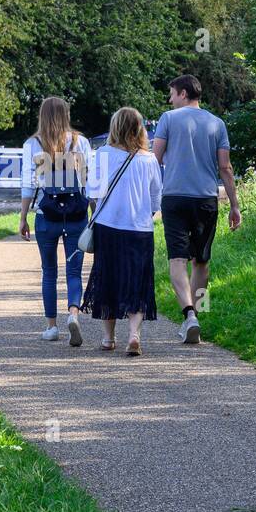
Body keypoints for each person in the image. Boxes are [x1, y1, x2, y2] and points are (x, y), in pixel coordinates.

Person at [152, 73, 241, 345]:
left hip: (175, 197)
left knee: (177, 260)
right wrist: (235, 205)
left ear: (183, 93)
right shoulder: (217, 124)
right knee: (201, 261)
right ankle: (196, 319)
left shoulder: (168, 119)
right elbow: (225, 168)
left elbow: (154, 159)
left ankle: (189, 314)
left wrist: (150, 199)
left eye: (171, 93)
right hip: (205, 199)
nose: (169, 99)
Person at [80, 107, 162, 356]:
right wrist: (143, 216)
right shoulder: (149, 159)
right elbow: (156, 197)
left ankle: (108, 338)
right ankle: (134, 335)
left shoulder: (103, 154)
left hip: (108, 226)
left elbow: (91, 192)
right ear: (140, 130)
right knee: (138, 280)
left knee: (108, 278)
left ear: (114, 128)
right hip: (140, 229)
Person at [19, 97, 92, 345]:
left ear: (42, 115)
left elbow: (28, 184)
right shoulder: (79, 142)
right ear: (66, 115)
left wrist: (23, 218)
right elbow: (88, 181)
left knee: (49, 272)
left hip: (46, 216)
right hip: (76, 216)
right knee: (74, 272)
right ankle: (73, 314)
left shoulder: (33, 144)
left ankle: (51, 327)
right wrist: (92, 215)